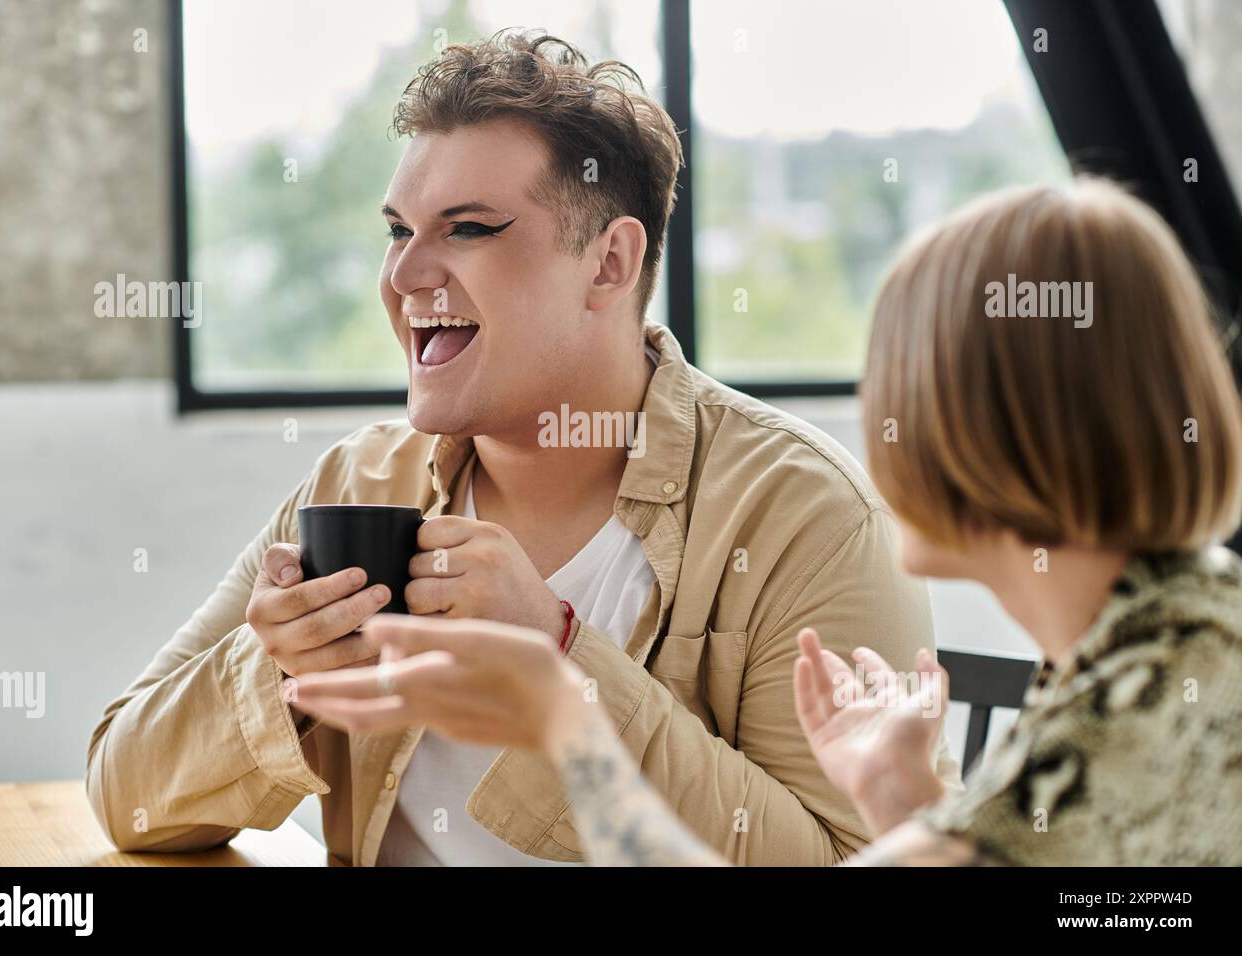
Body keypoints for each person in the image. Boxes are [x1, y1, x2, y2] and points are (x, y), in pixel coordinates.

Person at [85, 30, 958, 866]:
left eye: (467, 228)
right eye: (398, 231)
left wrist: (560, 664)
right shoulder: (362, 482)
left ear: (610, 264)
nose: (405, 276)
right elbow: (123, 793)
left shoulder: (801, 516)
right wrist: (276, 672)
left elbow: (859, 861)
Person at [295, 179, 1242, 866]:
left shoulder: (1108, 739)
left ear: (979, 431)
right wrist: (905, 802)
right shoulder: (1183, 643)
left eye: (894, 384)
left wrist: (569, 719)